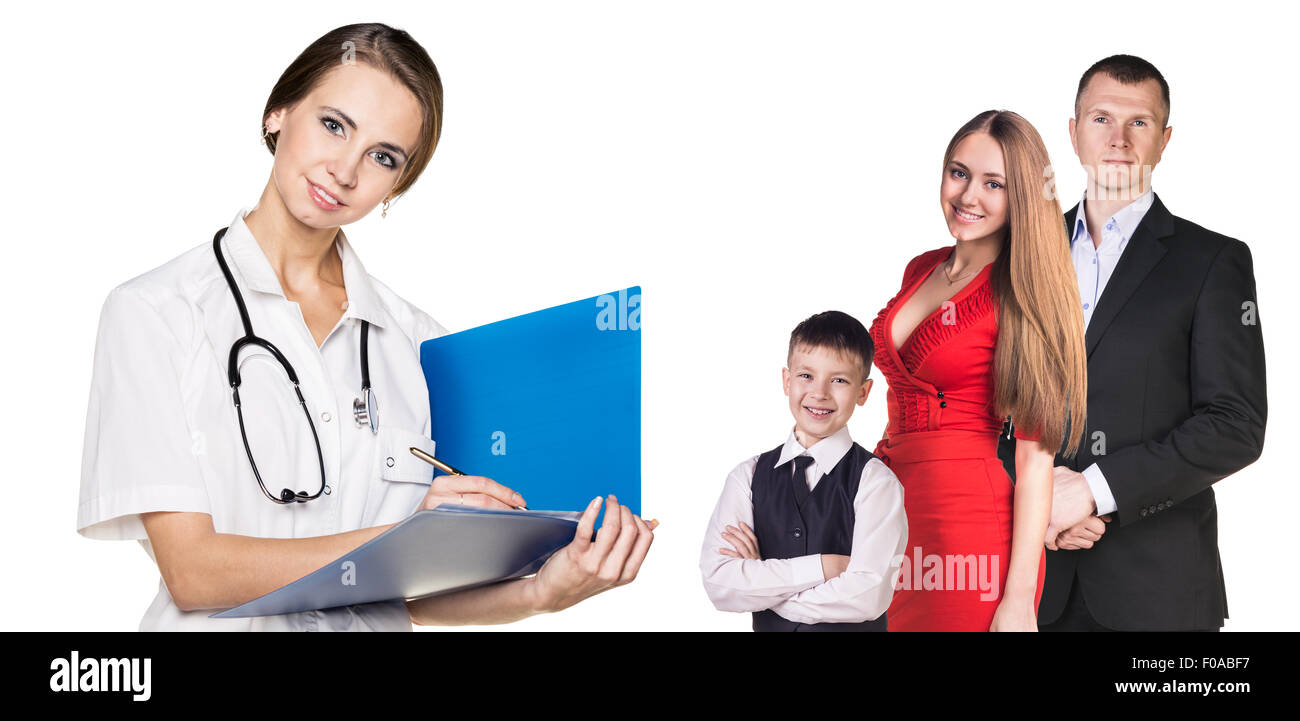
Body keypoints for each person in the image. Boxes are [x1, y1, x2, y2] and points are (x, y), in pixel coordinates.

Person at [76, 23, 655, 631]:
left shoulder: (421, 345)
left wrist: (542, 591)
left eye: (383, 157)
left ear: (396, 184)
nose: (345, 171)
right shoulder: (155, 311)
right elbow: (194, 574)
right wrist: (400, 537)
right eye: (333, 125)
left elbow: (412, 595)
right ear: (278, 113)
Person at [997, 55, 1267, 632]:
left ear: (1164, 139)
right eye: (1100, 119)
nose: (1117, 140)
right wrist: (1040, 505)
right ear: (1073, 132)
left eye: (1138, 123)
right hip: (1031, 587)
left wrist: (1094, 491)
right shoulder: (1021, 255)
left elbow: (1235, 424)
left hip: (1157, 597)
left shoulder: (1213, 262)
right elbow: (992, 410)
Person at [867, 110, 1088, 631]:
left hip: (965, 530)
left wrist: (1016, 603)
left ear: (1024, 199)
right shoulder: (921, 268)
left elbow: (1036, 462)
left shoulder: (1026, 295)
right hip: (889, 513)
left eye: (995, 183)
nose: (968, 196)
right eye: (959, 172)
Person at [699, 311, 908, 631]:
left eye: (839, 380)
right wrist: (825, 567)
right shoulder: (747, 477)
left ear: (863, 393)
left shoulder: (875, 482)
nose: (820, 393)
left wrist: (763, 588)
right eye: (806, 376)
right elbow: (720, 584)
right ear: (786, 380)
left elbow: (868, 594)